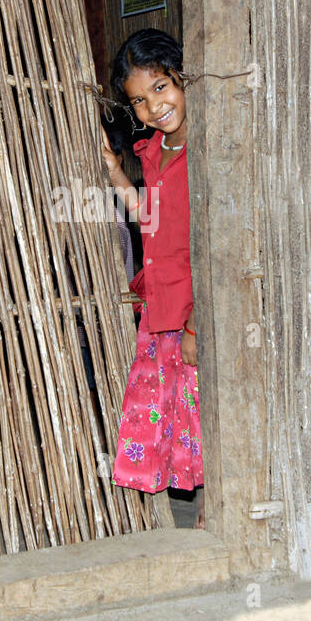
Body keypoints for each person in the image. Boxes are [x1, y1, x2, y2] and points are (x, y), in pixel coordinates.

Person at [99, 28, 204, 528]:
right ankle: (198, 513)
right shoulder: (152, 151)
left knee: (205, 417)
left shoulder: (210, 154)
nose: (153, 108)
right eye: (139, 101)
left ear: (184, 77)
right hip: (158, 308)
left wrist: (195, 327)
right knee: (170, 418)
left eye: (161, 88)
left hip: (192, 313)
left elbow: (217, 246)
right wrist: (118, 174)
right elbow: (153, 219)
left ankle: (216, 513)